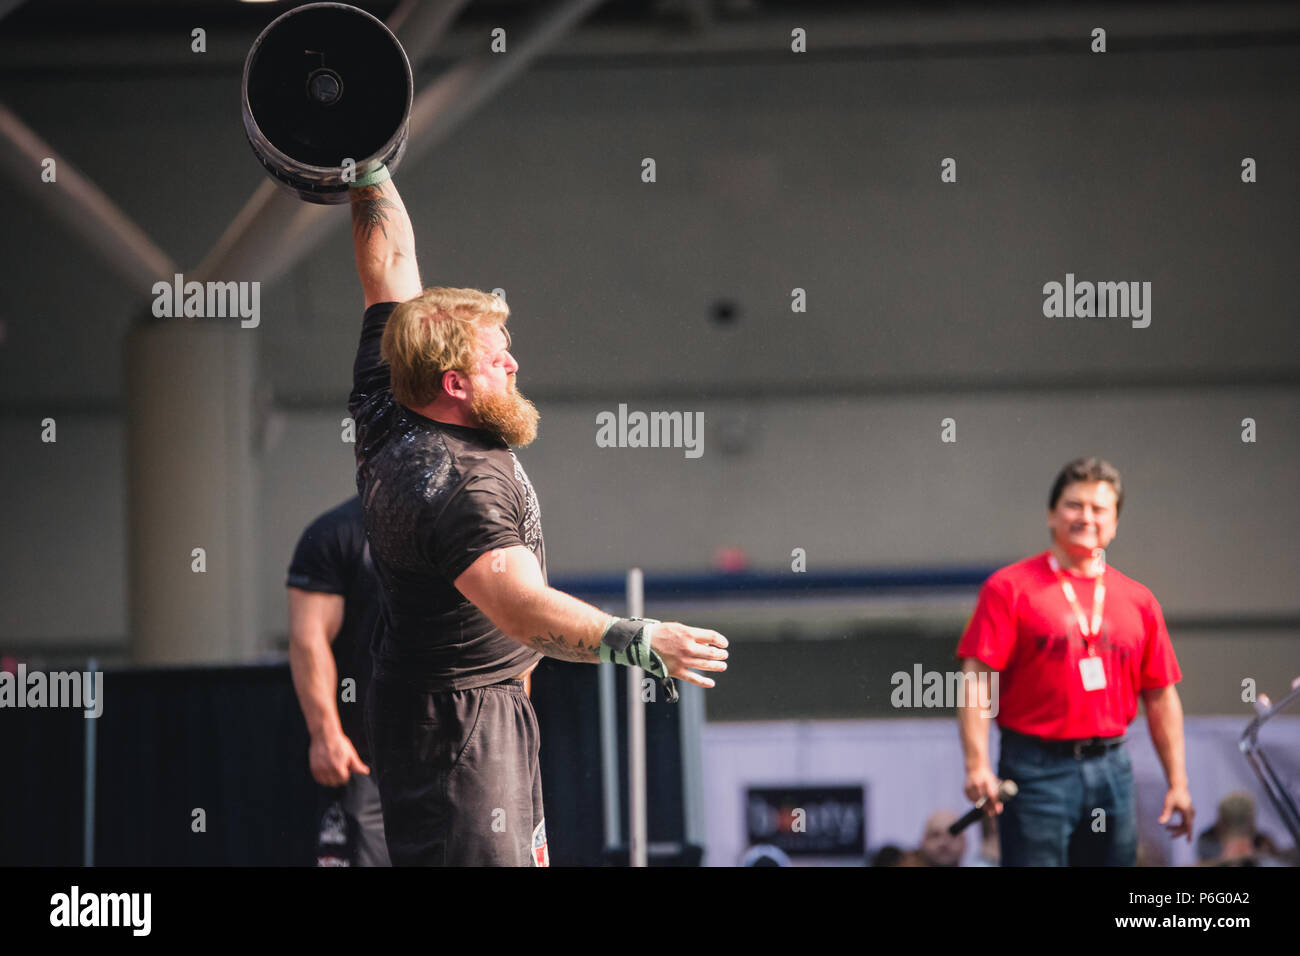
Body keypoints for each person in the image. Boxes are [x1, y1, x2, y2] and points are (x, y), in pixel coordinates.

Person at [344, 164, 729, 866]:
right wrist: (641, 642)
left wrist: (365, 162)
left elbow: (390, 260)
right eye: (498, 359)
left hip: (445, 702)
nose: (516, 364)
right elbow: (522, 611)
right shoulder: (461, 487)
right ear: (454, 384)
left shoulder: (390, 395)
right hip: (459, 727)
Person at [956, 456, 1193, 866]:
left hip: (1112, 767)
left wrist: (1179, 782)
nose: (1086, 517)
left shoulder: (1139, 600)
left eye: (1099, 508)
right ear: (1051, 515)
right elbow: (977, 677)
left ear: (1115, 522)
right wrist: (976, 764)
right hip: (1035, 769)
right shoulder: (1010, 588)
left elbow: (1160, 694)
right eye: (1074, 505)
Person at [286, 496, 390, 867]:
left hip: (445, 754)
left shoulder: (458, 526)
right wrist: (325, 734)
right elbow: (307, 638)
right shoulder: (336, 532)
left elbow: (501, 637)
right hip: (359, 759)